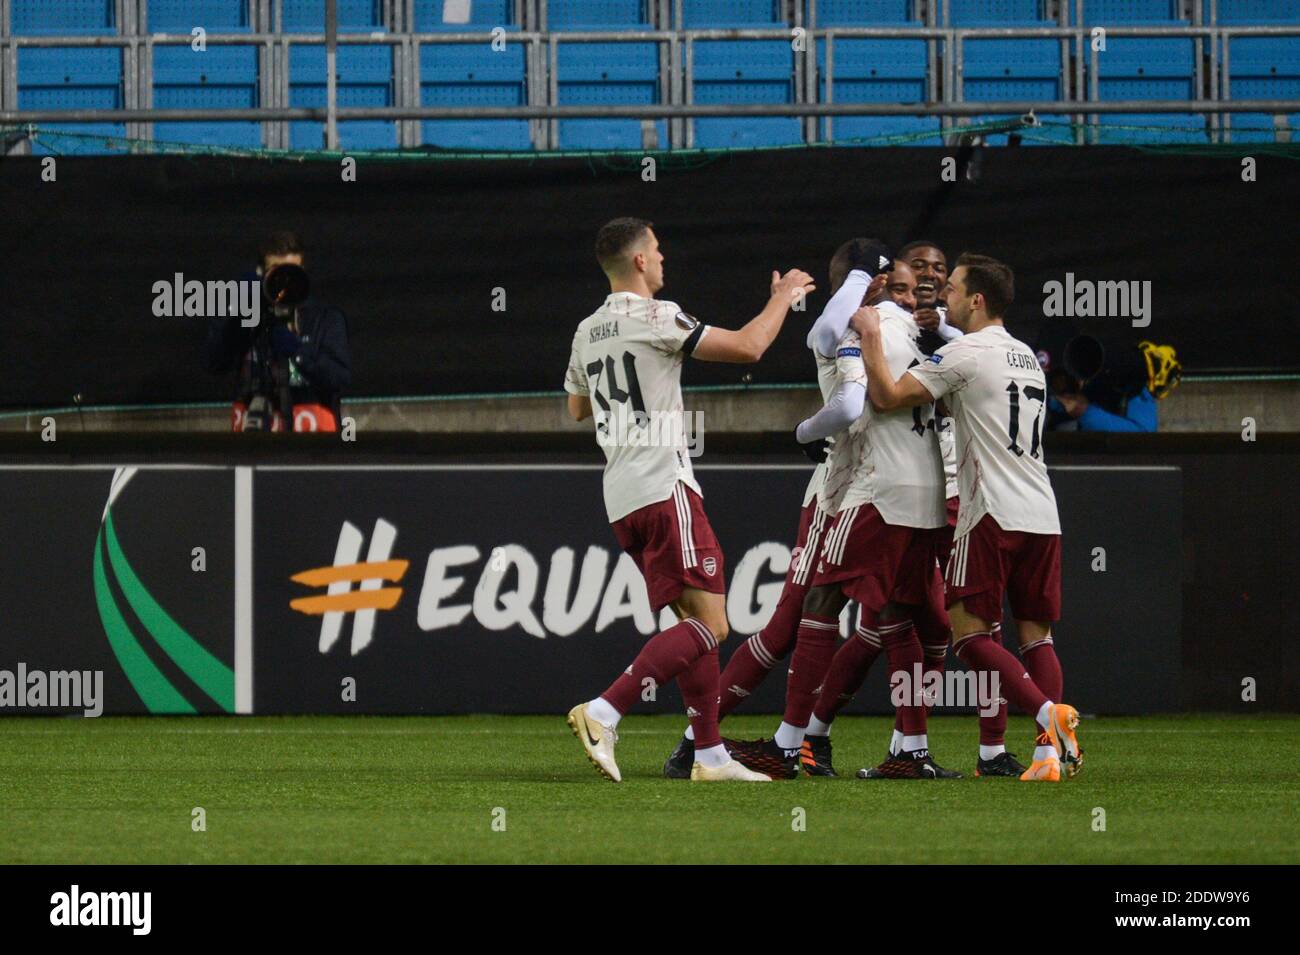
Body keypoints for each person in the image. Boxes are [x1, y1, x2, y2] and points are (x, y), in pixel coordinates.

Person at [563, 217, 815, 783]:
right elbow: (750, 347)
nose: (662, 258)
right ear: (639, 263)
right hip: (663, 483)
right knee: (716, 626)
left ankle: (709, 755)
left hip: (622, 493)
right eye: (656, 250)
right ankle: (604, 711)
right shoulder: (658, 314)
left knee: (692, 622)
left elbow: (578, 409)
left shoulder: (586, 330)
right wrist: (782, 298)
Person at [658, 237, 891, 779]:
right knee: (797, 620)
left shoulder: (907, 328)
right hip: (844, 492)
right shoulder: (859, 326)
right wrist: (806, 430)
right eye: (898, 277)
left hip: (896, 492)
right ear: (873, 279)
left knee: (898, 619)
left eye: (933, 273)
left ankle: (870, 745)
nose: (916, 286)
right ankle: (716, 738)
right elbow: (837, 360)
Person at [725, 248, 958, 781]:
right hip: (931, 496)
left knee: (818, 602)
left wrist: (803, 433)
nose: (904, 292)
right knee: (908, 621)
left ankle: (788, 744)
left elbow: (849, 400)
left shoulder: (864, 327)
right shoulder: (934, 339)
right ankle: (911, 748)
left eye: (904, 286)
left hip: (872, 489)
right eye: (900, 284)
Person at [852, 253, 1083, 782]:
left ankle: (1047, 713)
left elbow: (888, 396)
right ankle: (1048, 756)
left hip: (991, 514)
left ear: (976, 300)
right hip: (1043, 512)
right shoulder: (1027, 356)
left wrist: (867, 333)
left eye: (952, 289)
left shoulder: (964, 354)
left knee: (971, 638)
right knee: (1037, 638)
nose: (943, 296)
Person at [202, 231, 350, 431]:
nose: (284, 282)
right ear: (261, 273)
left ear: (303, 272)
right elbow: (214, 363)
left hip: (314, 445)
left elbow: (338, 379)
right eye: (276, 272)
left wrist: (297, 352)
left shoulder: (324, 318)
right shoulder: (244, 318)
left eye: (292, 272)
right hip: (252, 438)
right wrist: (236, 320)